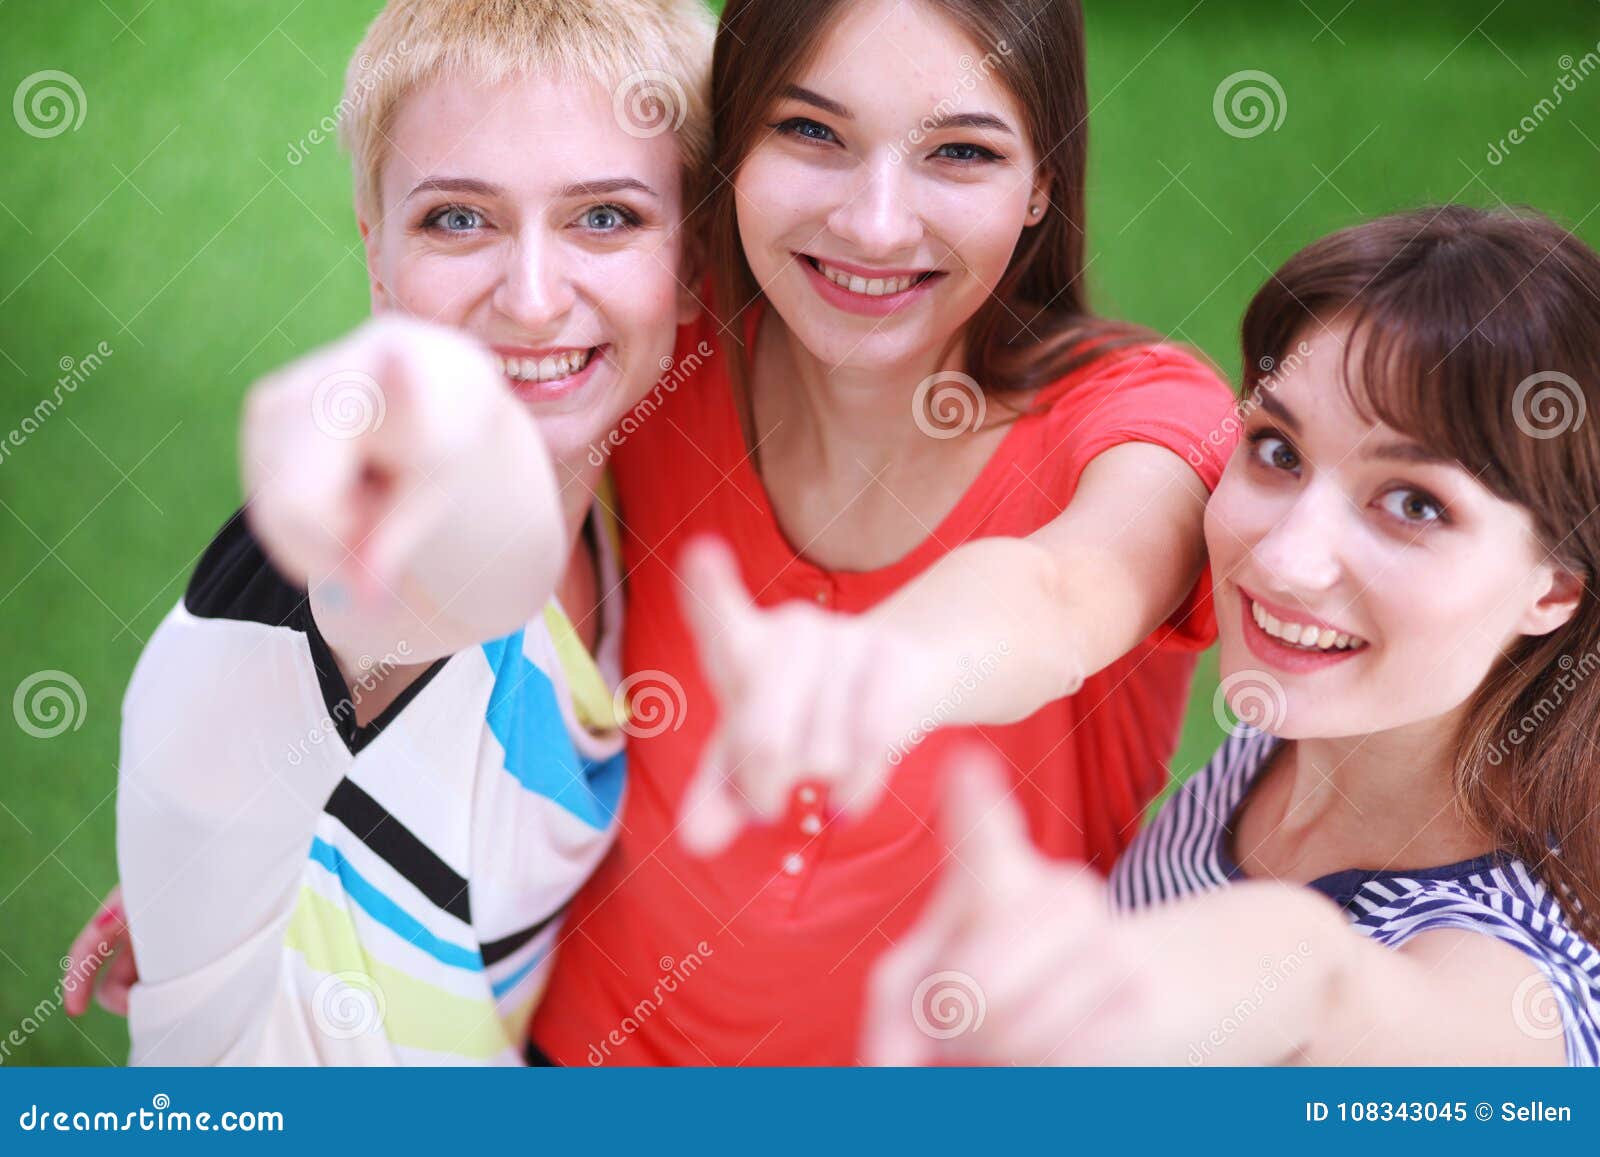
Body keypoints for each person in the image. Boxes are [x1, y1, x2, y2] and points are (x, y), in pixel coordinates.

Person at [72, 0, 1237, 1066]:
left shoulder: (1138, 413)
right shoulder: (658, 368)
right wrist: (229, 847)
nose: (876, 222)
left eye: (963, 150)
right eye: (813, 133)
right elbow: (448, 545)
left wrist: (891, 666)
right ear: (730, 175)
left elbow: (1070, 585)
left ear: (1043, 179)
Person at [101, 0, 712, 1064]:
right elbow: (428, 587)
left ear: (697, 263)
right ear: (376, 252)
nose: (529, 299)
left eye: (605, 217)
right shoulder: (338, 569)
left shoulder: (624, 499)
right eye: (456, 220)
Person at [865, 206, 1600, 1067]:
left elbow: (1322, 983)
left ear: (1554, 587)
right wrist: (868, 667)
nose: (1284, 560)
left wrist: (1103, 979)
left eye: (1413, 504)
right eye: (1279, 451)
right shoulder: (1301, 725)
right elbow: (1057, 589)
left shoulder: (1509, 989)